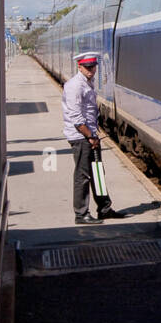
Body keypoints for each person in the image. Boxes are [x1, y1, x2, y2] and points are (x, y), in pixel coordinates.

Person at [63, 51, 124, 224]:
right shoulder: (74, 85)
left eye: (93, 66)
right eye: (87, 67)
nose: (91, 70)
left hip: (90, 135)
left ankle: (104, 209)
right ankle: (81, 214)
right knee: (82, 176)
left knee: (97, 172)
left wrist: (93, 135)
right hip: (81, 136)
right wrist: (90, 136)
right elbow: (76, 118)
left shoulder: (87, 82)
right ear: (79, 66)